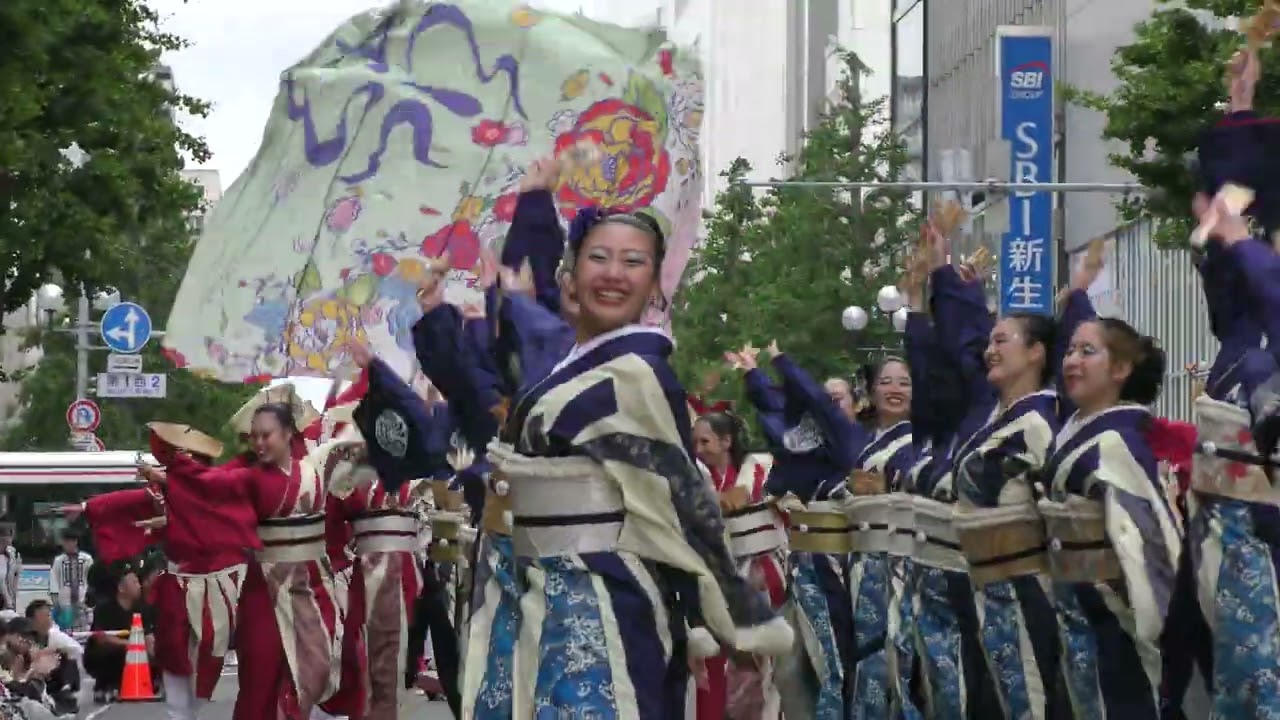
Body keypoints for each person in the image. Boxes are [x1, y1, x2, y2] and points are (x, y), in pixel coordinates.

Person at [485, 206, 791, 717]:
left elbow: (677, 500)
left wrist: (707, 612)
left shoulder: (640, 374)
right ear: (571, 276)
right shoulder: (568, 366)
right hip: (536, 585)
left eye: (633, 262)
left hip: (604, 594)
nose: (613, 273)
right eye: (598, 258)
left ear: (654, 287)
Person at [147, 403, 341, 720]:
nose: (259, 443)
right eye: (254, 437)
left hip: (311, 584)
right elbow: (209, 483)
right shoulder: (251, 477)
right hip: (264, 587)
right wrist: (174, 462)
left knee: (317, 668)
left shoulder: (316, 468)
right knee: (259, 676)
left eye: (266, 436)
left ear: (289, 434)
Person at [1038, 317, 1180, 716]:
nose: (1071, 361)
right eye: (1069, 351)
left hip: (1112, 617)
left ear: (1120, 370)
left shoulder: (1117, 440)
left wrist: (1159, 626)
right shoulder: (1079, 429)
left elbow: (1153, 544)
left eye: (1088, 352)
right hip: (1073, 612)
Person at [687, 406, 785, 719]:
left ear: (726, 441)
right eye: (695, 444)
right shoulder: (695, 474)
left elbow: (739, 496)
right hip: (716, 575)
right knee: (714, 655)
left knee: (765, 660)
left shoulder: (756, 466)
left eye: (705, 442)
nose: (698, 450)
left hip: (760, 572)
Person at [83, 560, 156, 704]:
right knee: (108, 652)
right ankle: (105, 685)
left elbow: (148, 635)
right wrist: (130, 644)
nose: (139, 586)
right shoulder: (104, 609)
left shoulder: (143, 608)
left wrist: (154, 651)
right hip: (109, 654)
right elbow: (100, 637)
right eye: (134, 582)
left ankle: (144, 683)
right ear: (122, 588)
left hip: (137, 653)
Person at [24, 600, 79, 714]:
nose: (49, 619)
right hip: (31, 678)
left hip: (53, 679)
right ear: (32, 620)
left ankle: (66, 690)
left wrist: (53, 651)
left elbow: (77, 650)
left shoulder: (54, 635)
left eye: (49, 615)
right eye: (44, 616)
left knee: (67, 658)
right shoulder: (24, 637)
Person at [49, 532, 91, 632]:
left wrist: (89, 597)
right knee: (66, 629)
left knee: (84, 629)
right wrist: (55, 600)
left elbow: (90, 578)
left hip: (83, 600)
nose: (66, 545)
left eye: (68, 542)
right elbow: (54, 579)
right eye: (64, 542)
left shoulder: (86, 559)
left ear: (75, 542)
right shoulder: (59, 560)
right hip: (65, 601)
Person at [0, 534, 21, 615]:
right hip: (5, 599)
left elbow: (16, 575)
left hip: (10, 597)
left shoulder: (11, 556)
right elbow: (2, 580)